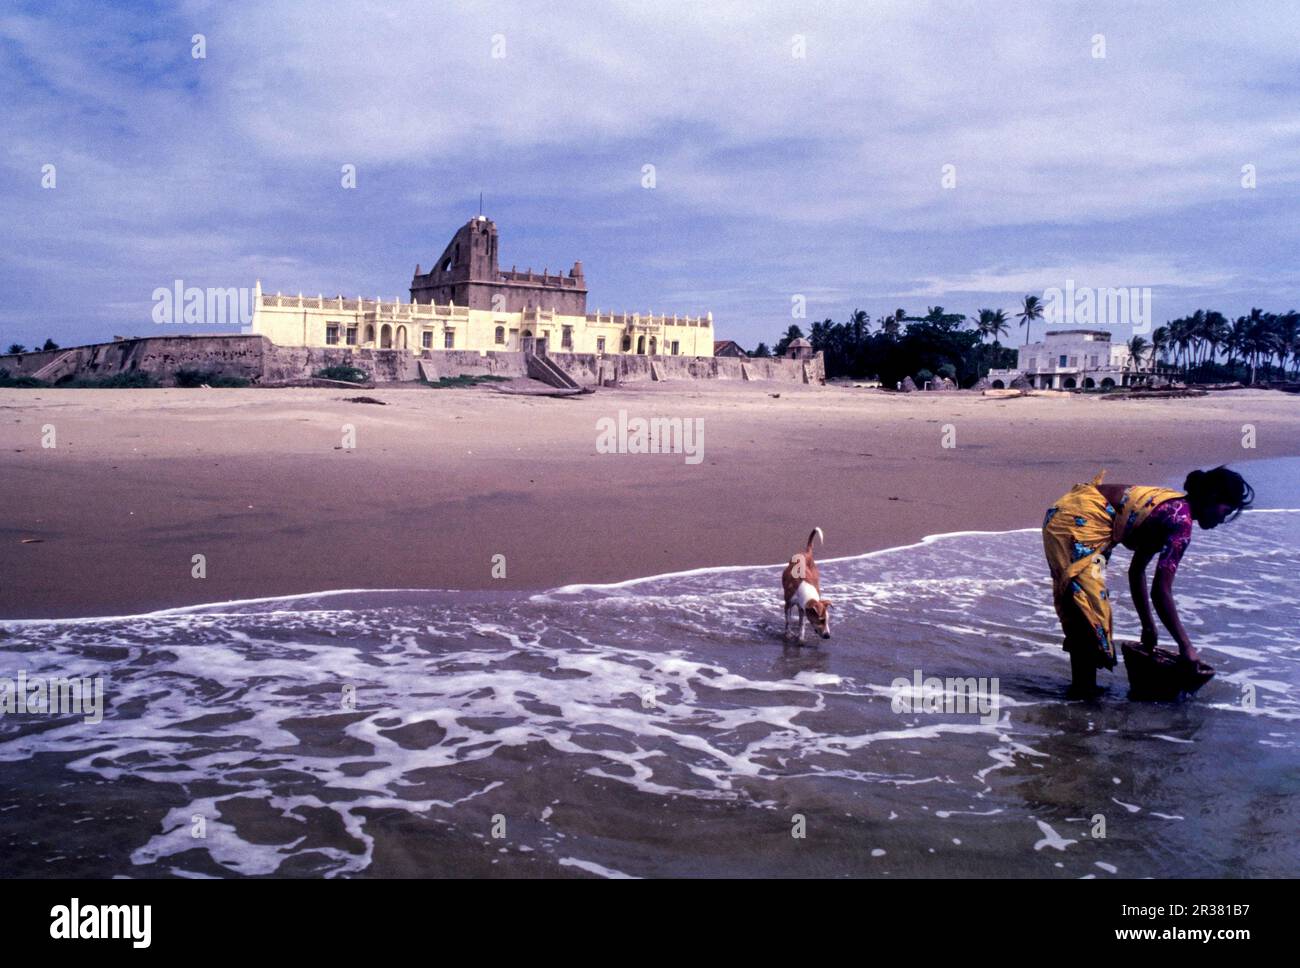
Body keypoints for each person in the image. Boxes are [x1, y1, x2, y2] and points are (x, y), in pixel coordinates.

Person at [1041, 466, 1253, 695]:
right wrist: (1186, 646)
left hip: (1077, 511)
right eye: (1226, 510)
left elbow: (1137, 571)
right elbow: (1161, 591)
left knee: (1083, 607)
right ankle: (1083, 694)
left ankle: (1083, 693)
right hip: (1078, 519)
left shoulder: (1172, 508)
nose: (1223, 519)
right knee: (1089, 609)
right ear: (1212, 498)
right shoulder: (1180, 521)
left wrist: (1148, 625)